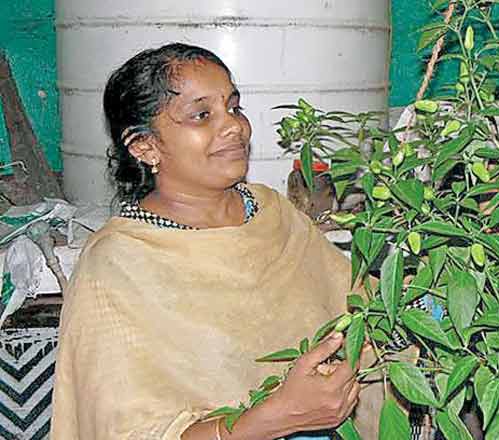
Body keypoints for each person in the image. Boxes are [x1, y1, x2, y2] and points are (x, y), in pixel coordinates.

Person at [50, 43, 382, 440]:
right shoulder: (116, 264)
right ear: (144, 146)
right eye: (202, 115)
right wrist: (274, 418)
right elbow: (131, 431)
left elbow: (364, 310)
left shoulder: (272, 212)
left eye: (234, 107)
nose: (234, 127)